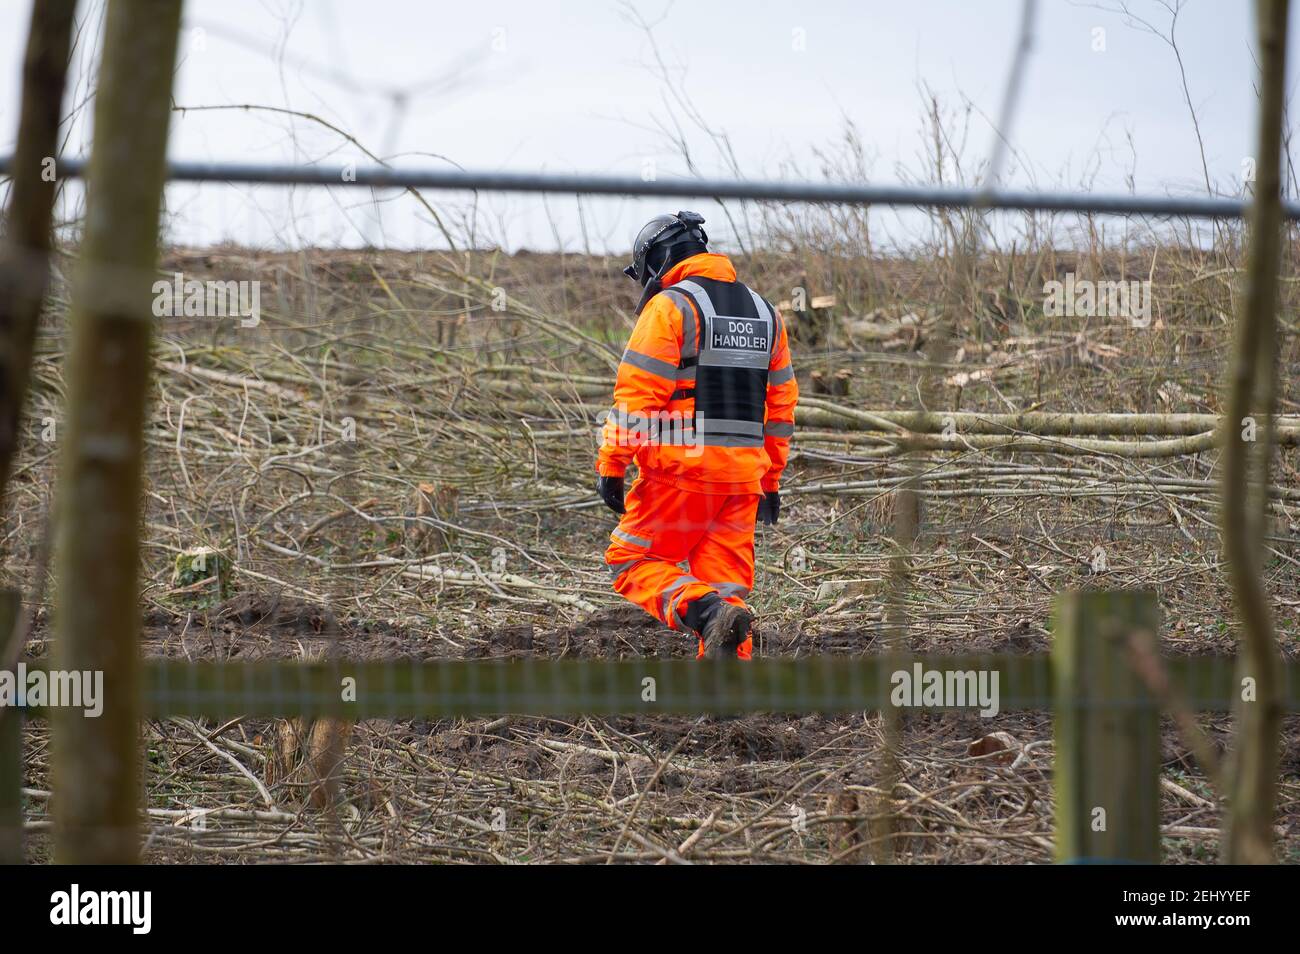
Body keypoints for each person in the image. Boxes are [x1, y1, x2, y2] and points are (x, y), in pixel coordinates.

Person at [595, 211, 797, 659]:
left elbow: (637, 395)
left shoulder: (671, 307)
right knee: (727, 586)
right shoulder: (766, 312)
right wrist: (770, 480)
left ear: (657, 263)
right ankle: (725, 695)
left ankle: (703, 613)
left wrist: (612, 463)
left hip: (681, 475)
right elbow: (781, 409)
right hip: (742, 480)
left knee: (631, 561)